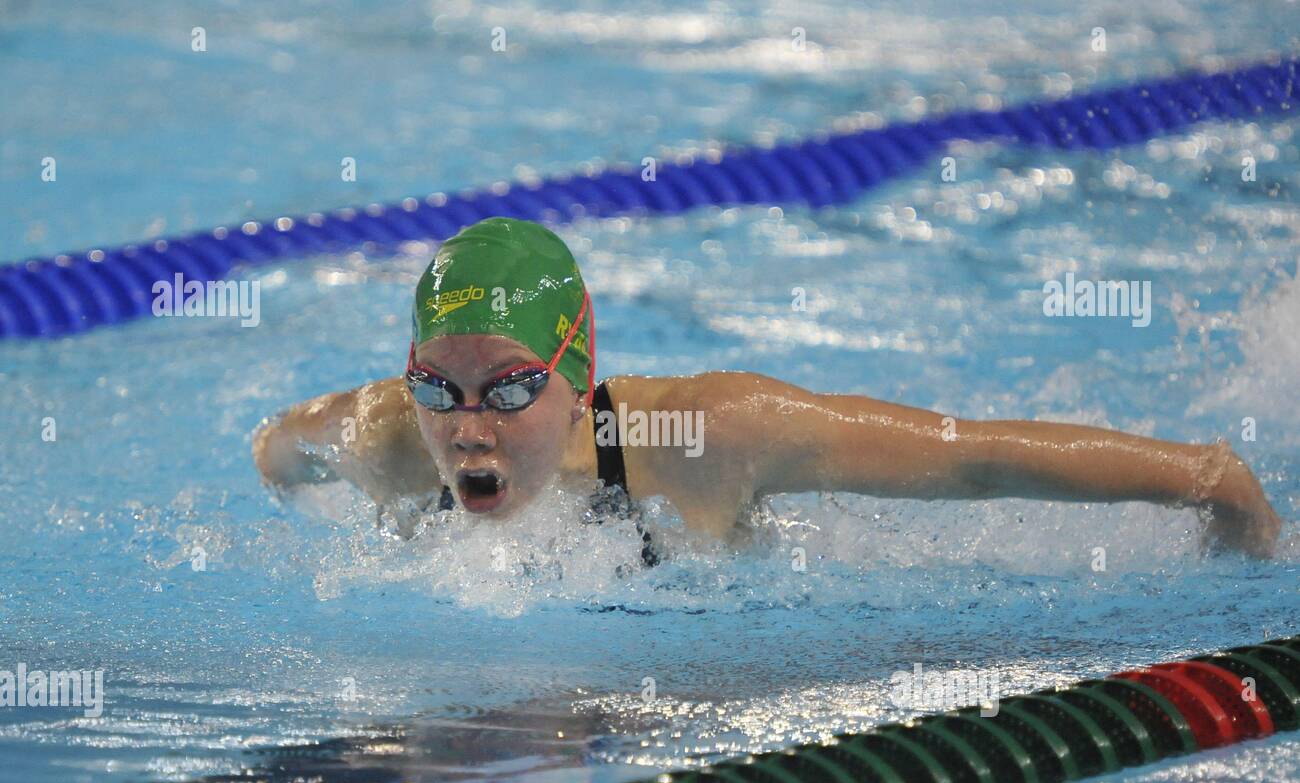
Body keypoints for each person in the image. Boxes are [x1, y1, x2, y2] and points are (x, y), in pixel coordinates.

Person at [252, 216, 1280, 558]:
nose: (468, 430)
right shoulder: (390, 437)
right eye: (442, 388)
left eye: (511, 390)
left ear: (579, 375)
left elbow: (969, 457)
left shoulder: (710, 435)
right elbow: (278, 447)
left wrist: (1204, 476)